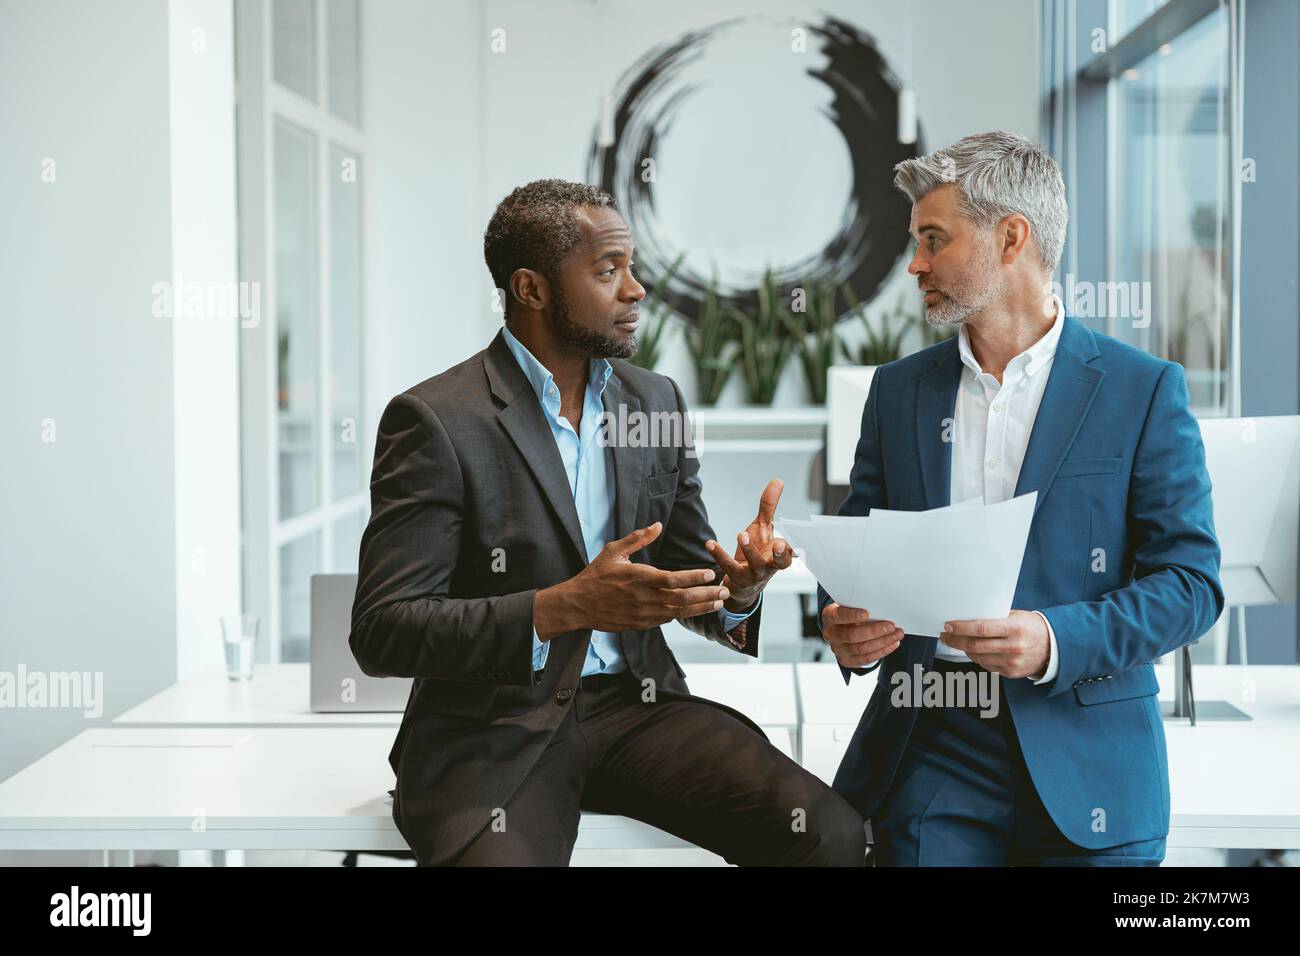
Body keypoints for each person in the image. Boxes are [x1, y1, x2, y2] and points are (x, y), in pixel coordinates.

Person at [351, 179, 866, 866]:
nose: (636, 290)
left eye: (631, 266)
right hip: (494, 727)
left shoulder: (654, 401)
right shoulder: (437, 420)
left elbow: (687, 574)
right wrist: (558, 609)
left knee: (833, 838)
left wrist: (737, 590)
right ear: (531, 289)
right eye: (608, 270)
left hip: (639, 707)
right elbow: (384, 630)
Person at [820, 131, 1223, 866]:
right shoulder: (898, 392)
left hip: (1088, 750)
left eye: (933, 240)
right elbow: (861, 557)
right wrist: (847, 623)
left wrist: (1053, 639)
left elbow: (1192, 586)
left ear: (1011, 238)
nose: (914, 264)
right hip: (931, 749)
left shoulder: (1141, 389)